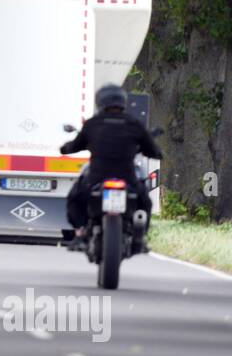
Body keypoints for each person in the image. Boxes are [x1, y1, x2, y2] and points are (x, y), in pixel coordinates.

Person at [61, 84, 162, 251]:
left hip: (96, 178)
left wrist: (65, 149)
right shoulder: (134, 124)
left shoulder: (93, 124)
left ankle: (80, 233)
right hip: (127, 178)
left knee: (74, 199)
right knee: (145, 202)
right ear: (123, 102)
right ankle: (140, 238)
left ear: (100, 102)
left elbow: (74, 146)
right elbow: (152, 149)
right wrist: (157, 153)